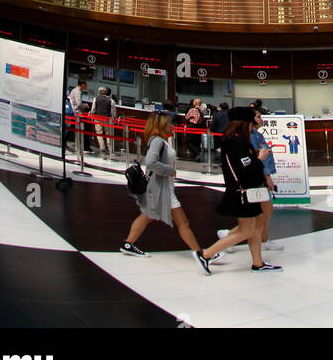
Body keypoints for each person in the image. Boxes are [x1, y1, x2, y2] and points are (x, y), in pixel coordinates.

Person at [120, 112, 211, 268]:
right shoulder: (157, 141)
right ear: (162, 125)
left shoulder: (159, 140)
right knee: (183, 223)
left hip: (161, 187)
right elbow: (151, 162)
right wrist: (170, 170)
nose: (173, 126)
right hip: (160, 189)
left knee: (147, 216)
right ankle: (201, 254)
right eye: (170, 123)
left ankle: (128, 244)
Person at [199, 107, 281, 273]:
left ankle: (258, 263)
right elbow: (246, 170)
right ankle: (205, 254)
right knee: (247, 230)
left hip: (246, 192)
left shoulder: (233, 141)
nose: (253, 126)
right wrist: (259, 158)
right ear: (244, 123)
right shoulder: (237, 142)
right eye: (251, 123)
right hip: (243, 193)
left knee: (256, 227)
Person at [218, 107, 282, 255]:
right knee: (259, 217)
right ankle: (222, 242)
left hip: (257, 178)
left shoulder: (256, 135)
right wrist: (267, 177)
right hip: (254, 181)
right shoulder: (247, 137)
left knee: (263, 214)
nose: (260, 119)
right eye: (257, 117)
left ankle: (262, 241)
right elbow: (250, 161)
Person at [91, 84, 116, 156]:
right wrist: (113, 118)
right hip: (107, 119)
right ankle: (110, 148)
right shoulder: (111, 101)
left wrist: (92, 115)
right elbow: (113, 112)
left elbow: (93, 109)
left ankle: (102, 147)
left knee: (99, 133)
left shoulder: (96, 98)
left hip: (98, 118)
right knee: (108, 134)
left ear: (99, 92)